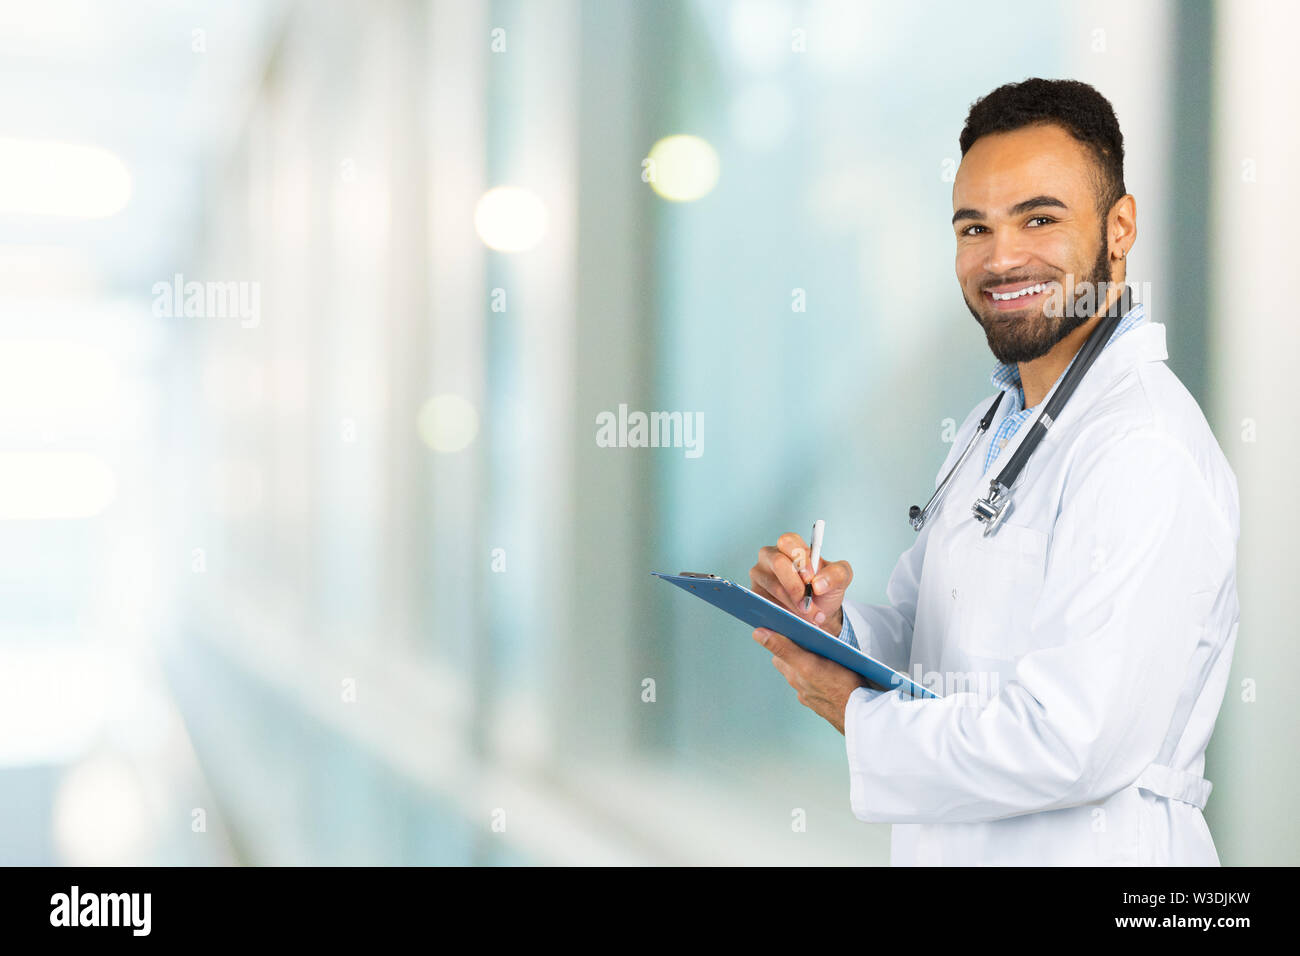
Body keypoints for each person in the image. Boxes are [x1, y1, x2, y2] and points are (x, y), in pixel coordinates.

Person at [748, 78, 1239, 866]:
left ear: (1121, 229)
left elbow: (1072, 743)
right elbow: (931, 639)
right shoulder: (999, 421)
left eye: (1039, 218)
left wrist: (854, 713)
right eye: (974, 227)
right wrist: (834, 626)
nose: (1002, 257)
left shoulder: (1142, 445)